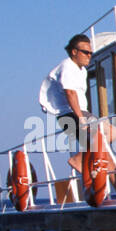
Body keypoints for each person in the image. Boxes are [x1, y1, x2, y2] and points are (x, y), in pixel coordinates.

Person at [38, 34, 93, 172]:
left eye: (91, 53)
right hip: (70, 114)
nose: (89, 56)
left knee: (103, 144)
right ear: (74, 52)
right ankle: (78, 160)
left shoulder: (83, 71)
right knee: (109, 134)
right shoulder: (68, 66)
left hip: (77, 113)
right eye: (86, 52)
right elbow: (70, 93)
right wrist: (81, 118)